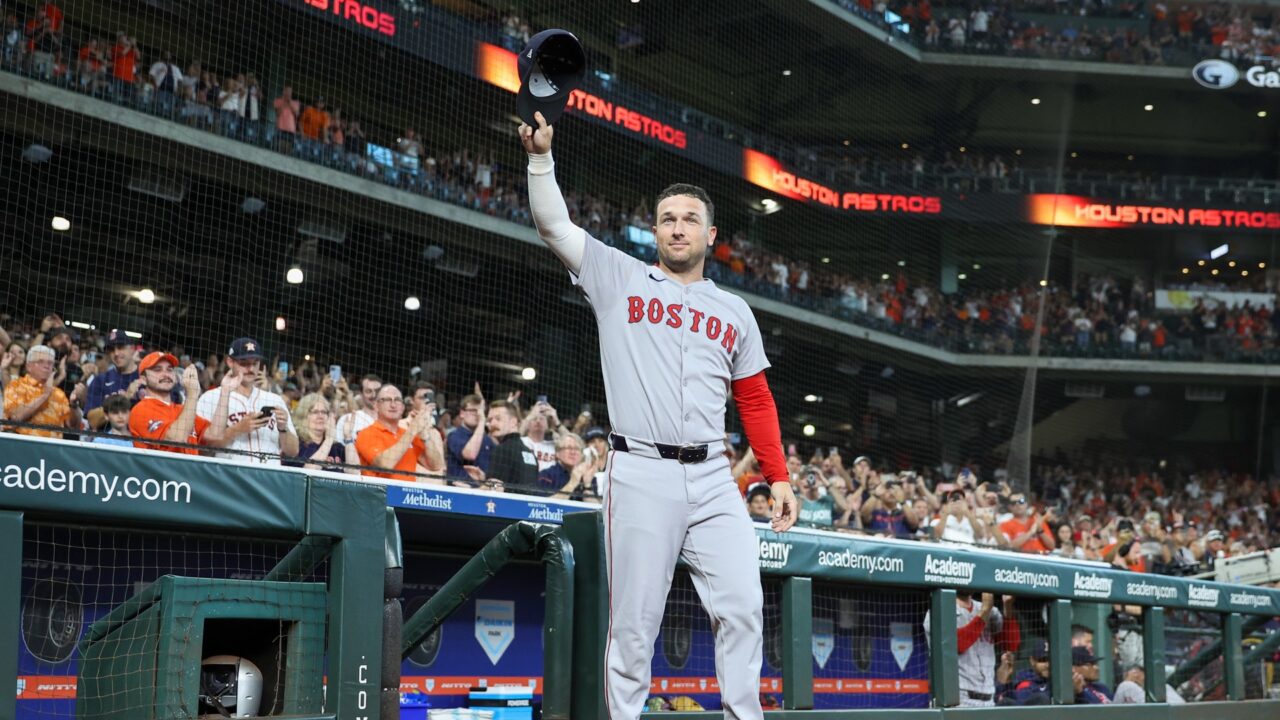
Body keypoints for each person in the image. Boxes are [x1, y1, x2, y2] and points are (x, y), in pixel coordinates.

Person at [520, 109, 796, 720]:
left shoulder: (735, 311)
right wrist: (541, 158)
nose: (678, 228)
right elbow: (553, 224)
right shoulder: (619, 276)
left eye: (690, 220)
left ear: (710, 235)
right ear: (655, 231)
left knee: (745, 606)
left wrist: (777, 475)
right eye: (668, 219)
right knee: (635, 627)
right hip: (640, 471)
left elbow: (755, 399)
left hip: (714, 479)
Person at [196, 337, 299, 464]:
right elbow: (202, 448)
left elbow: (293, 451)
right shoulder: (210, 398)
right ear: (230, 362)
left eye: (255, 363)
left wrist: (283, 429)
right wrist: (238, 429)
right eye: (244, 363)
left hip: (268, 478)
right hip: (229, 477)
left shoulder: (274, 399)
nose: (251, 369)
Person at [924, 592, 1020, 707]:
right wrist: (984, 612)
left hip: (989, 700)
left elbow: (1010, 645)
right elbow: (957, 645)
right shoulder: (938, 611)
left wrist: (1007, 607)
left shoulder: (991, 610)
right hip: (957, 700)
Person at [354, 383, 445, 482]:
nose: (393, 405)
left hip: (407, 496)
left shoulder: (407, 434)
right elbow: (385, 464)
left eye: (397, 400)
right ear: (376, 406)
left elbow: (435, 466)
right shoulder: (366, 433)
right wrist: (413, 430)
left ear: (402, 407)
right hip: (379, 495)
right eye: (387, 400)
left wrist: (425, 435)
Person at [128, 351, 214, 454]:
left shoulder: (183, 410)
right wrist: (192, 394)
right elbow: (178, 438)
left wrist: (226, 390)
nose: (165, 374)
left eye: (169, 369)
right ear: (143, 379)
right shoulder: (140, 410)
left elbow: (215, 436)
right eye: (157, 370)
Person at [3, 344, 78, 438]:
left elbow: (72, 425)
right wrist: (44, 396)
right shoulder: (15, 386)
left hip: (53, 449)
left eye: (50, 363)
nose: (46, 366)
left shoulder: (58, 393)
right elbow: (14, 418)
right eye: (40, 361)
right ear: (28, 366)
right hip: (22, 446)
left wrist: (74, 405)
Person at [287, 392, 358, 473]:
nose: (320, 416)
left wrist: (348, 437)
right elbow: (308, 473)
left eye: (324, 412)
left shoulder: (336, 447)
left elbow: (355, 472)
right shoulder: (296, 445)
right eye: (315, 412)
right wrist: (329, 440)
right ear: (303, 416)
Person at [84, 329, 141, 415]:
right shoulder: (100, 381)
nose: (116, 353)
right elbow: (92, 420)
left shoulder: (146, 378)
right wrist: (124, 399)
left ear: (132, 349)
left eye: (120, 347)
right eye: (111, 349)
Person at [445, 388, 496, 479]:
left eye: (480, 411)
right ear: (462, 413)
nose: (478, 414)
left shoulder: (487, 439)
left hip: (483, 489)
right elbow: (470, 454)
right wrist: (482, 422)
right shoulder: (454, 436)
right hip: (459, 489)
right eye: (473, 410)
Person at [486, 399, 536, 488]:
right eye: (490, 420)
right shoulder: (530, 453)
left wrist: (468, 490)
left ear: (513, 422)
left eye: (498, 419)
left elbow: (494, 489)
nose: (492, 424)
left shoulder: (503, 450)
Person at [796, 464, 848, 529]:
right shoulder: (797, 499)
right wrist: (803, 489)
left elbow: (844, 507)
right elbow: (793, 519)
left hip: (824, 536)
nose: (812, 478)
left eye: (816, 475)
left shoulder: (828, 500)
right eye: (809, 476)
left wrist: (825, 481)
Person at [1112, 664, 1185, 704]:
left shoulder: (1164, 687)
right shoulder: (1127, 685)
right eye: (1134, 674)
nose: (1136, 676)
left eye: (1138, 673)